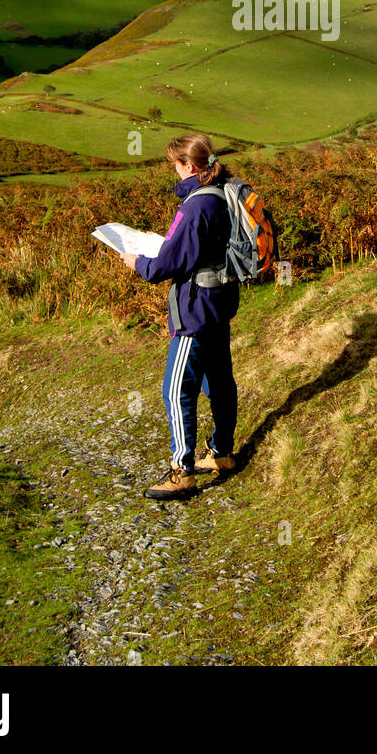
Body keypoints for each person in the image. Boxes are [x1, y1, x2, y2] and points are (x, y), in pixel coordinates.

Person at [121, 133, 240, 500]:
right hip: (219, 301)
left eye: (175, 163)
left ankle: (182, 471)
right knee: (219, 380)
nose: (173, 169)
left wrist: (138, 261)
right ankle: (221, 453)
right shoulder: (225, 191)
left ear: (189, 165)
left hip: (194, 310)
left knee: (176, 390)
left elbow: (166, 266)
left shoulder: (195, 207)